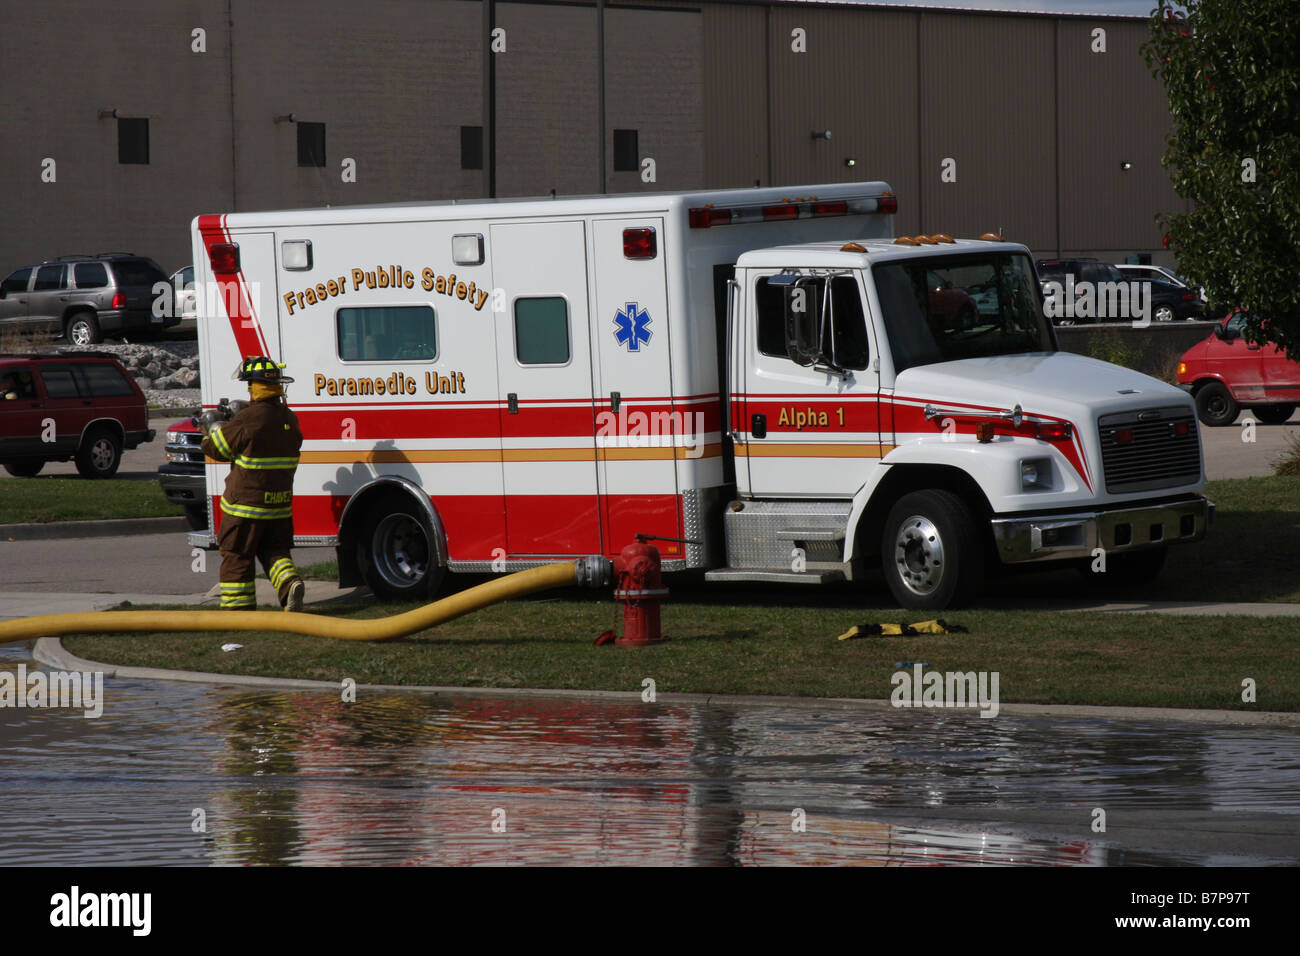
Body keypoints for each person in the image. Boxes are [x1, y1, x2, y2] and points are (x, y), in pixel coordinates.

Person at [200, 356, 305, 611]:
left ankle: (238, 610)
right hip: (279, 506)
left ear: (253, 386)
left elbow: (216, 448)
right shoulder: (289, 418)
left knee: (237, 554)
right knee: (275, 551)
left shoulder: (249, 418)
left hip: (245, 506)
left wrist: (211, 427)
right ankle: (289, 583)